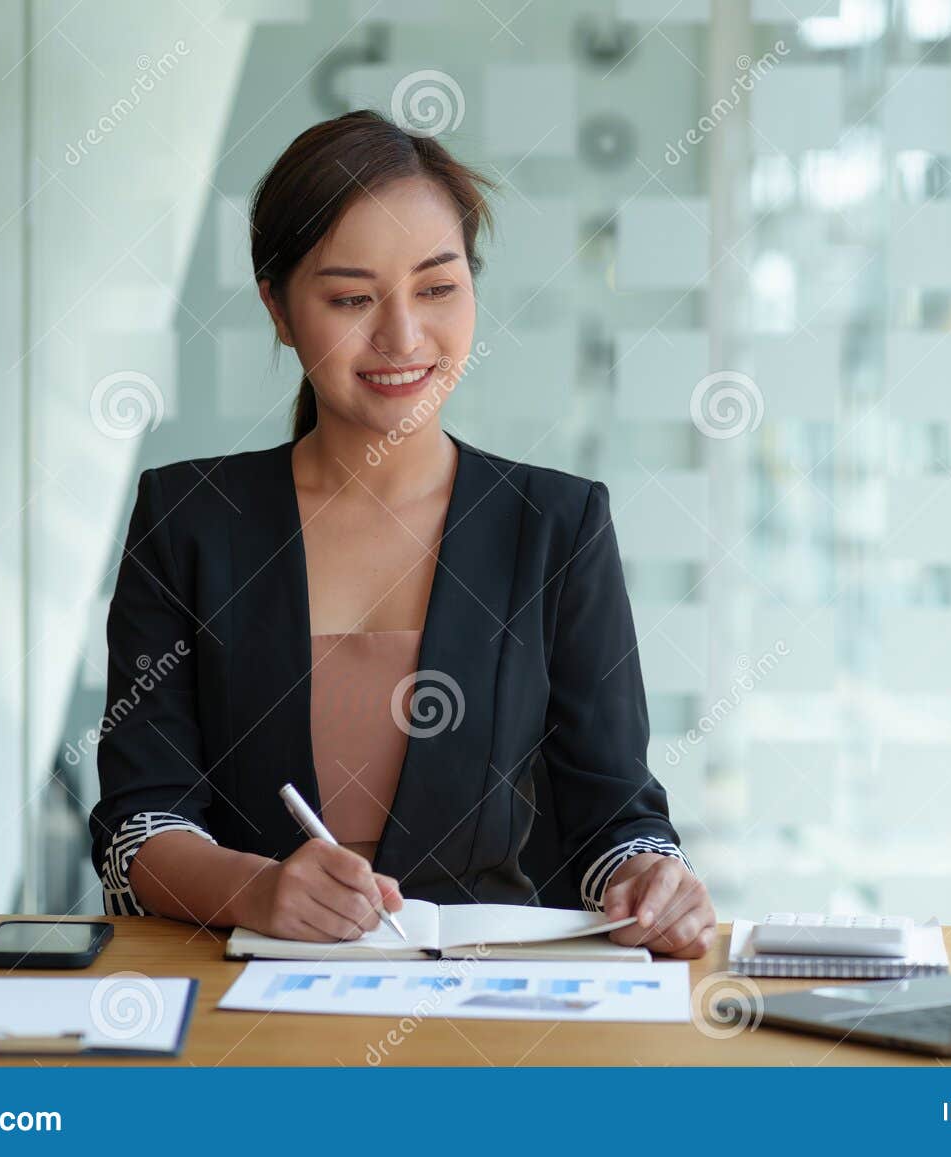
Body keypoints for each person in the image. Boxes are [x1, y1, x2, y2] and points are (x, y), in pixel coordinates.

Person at [87, 110, 714, 959]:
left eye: (437, 287)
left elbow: (613, 809)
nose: (403, 337)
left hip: (486, 1005)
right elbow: (137, 825)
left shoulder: (557, 527)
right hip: (239, 999)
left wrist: (650, 874)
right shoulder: (189, 521)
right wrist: (259, 889)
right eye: (351, 298)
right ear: (277, 307)